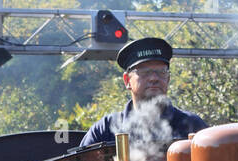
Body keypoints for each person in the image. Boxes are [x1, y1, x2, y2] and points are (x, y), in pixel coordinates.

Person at [79, 37, 208, 152]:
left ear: (168, 79)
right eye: (144, 72)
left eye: (161, 72)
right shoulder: (105, 130)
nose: (154, 78)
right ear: (127, 80)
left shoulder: (193, 125)